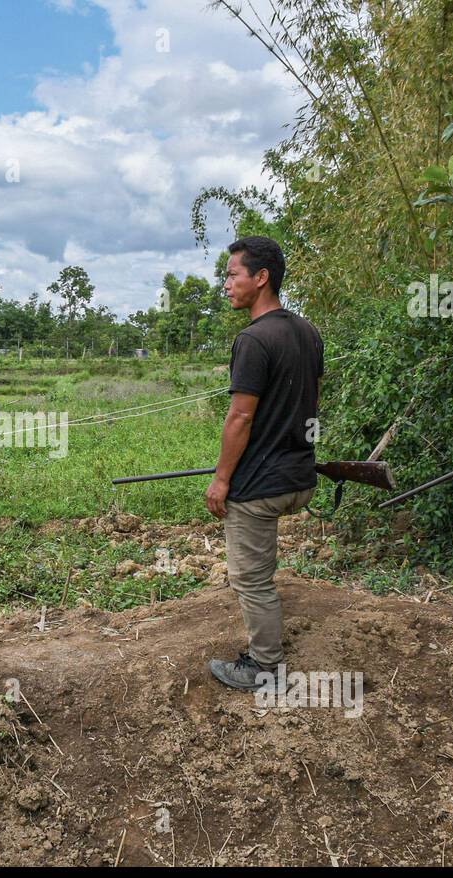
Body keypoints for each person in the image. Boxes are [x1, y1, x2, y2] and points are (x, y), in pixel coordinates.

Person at [204, 236, 323, 690]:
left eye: (232, 274)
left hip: (260, 488)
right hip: (300, 478)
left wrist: (221, 479)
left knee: (251, 580)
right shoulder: (308, 332)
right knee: (260, 574)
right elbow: (312, 404)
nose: (226, 284)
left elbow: (241, 416)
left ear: (261, 278)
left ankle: (264, 667)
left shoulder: (253, 339)